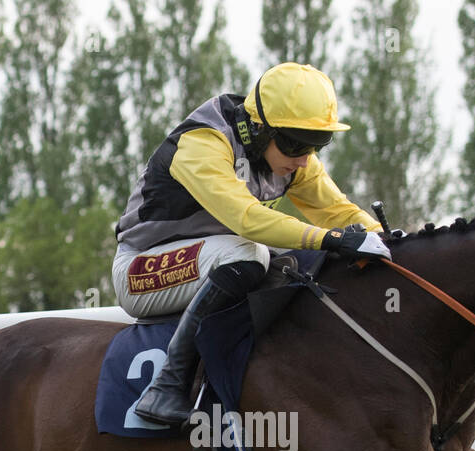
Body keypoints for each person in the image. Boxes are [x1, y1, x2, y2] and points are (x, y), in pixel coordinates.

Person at [113, 62, 393, 428]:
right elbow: (246, 219)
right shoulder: (203, 142)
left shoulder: (294, 160)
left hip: (212, 260)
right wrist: (333, 238)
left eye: (317, 144)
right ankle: (166, 387)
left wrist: (393, 242)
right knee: (250, 252)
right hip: (141, 270)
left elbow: (339, 213)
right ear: (258, 130)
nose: (305, 159)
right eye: (295, 143)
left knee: (301, 263)